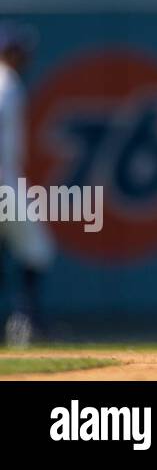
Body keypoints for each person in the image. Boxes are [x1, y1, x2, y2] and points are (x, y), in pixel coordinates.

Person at [0, 23, 53, 347]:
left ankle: (22, 325)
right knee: (37, 249)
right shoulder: (6, 84)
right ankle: (26, 325)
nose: (25, 57)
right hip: (3, 181)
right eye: (19, 50)